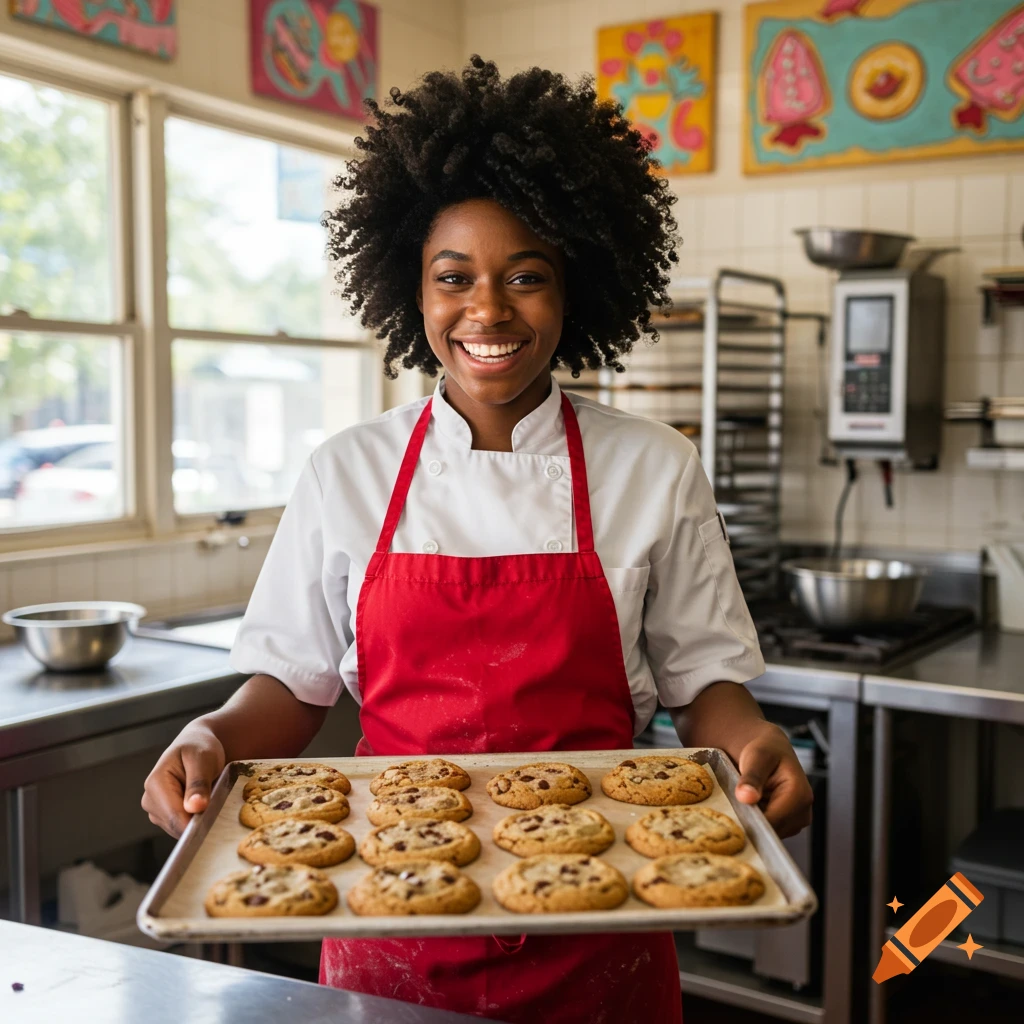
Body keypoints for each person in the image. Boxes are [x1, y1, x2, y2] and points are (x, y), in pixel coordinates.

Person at [143, 57, 813, 1023]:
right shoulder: (348, 470)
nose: (489, 311)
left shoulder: (654, 464)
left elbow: (704, 683)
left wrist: (752, 742)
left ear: (576, 289)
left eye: (527, 277)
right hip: (394, 919)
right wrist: (209, 735)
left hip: (605, 921)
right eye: (454, 278)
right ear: (411, 291)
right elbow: (290, 688)